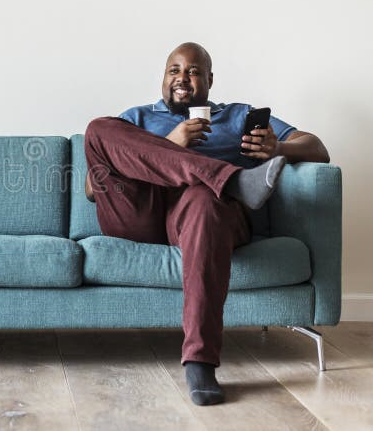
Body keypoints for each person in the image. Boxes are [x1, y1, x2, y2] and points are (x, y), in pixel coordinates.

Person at [84, 42, 329, 406]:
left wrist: (278, 149)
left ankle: (199, 362)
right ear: (163, 78)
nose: (183, 78)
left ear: (210, 80)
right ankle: (231, 179)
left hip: (203, 214)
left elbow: (317, 149)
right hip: (141, 211)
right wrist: (168, 144)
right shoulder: (136, 119)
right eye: (175, 70)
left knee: (203, 198)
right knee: (98, 127)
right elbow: (92, 188)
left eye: (194, 71)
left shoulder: (237, 116)